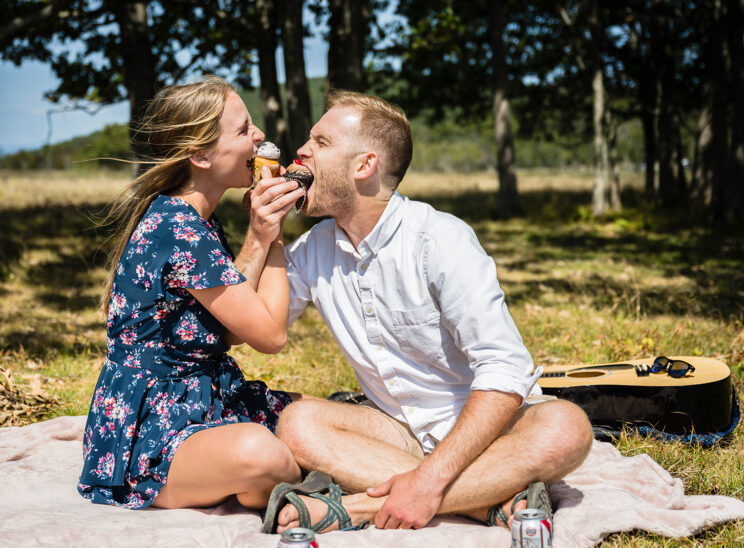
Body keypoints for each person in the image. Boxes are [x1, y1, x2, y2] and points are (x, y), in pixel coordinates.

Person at [269, 91, 594, 533]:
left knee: (567, 428)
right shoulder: (311, 250)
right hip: (395, 433)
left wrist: (430, 477)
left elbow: (504, 371)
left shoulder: (440, 239)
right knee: (296, 424)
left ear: (364, 166)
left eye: (321, 142)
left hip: (483, 435)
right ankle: (486, 504)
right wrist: (261, 234)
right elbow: (255, 328)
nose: (300, 152)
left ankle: (363, 507)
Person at [78, 76, 307, 511]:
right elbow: (271, 336)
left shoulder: (193, 219)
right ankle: (297, 493)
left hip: (204, 395)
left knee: (314, 421)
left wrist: (258, 238)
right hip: (149, 433)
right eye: (243, 130)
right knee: (265, 453)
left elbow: (231, 330)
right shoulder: (180, 229)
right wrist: (270, 235)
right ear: (199, 154)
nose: (259, 136)